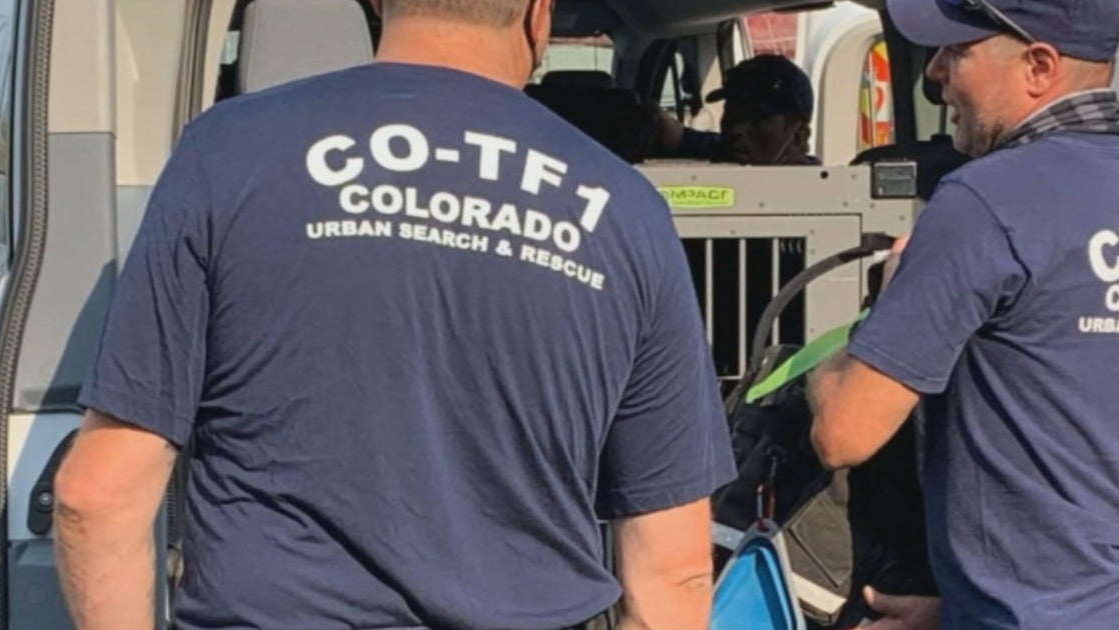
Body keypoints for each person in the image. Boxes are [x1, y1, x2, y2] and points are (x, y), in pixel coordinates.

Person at [52, 1, 737, 629]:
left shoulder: (225, 154)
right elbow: (671, 572)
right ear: (538, 15)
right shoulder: (628, 212)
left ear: (380, 3)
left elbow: (96, 497)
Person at [807, 0, 1119, 628]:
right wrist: (957, 614)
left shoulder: (984, 200)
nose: (935, 73)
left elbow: (843, 431)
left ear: (1038, 66)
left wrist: (879, 316)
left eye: (957, 51)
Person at [653, 54, 820, 165]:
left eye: (755, 120)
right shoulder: (723, 152)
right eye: (732, 114)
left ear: (798, 137)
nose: (736, 129)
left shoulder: (823, 201)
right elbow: (668, 131)